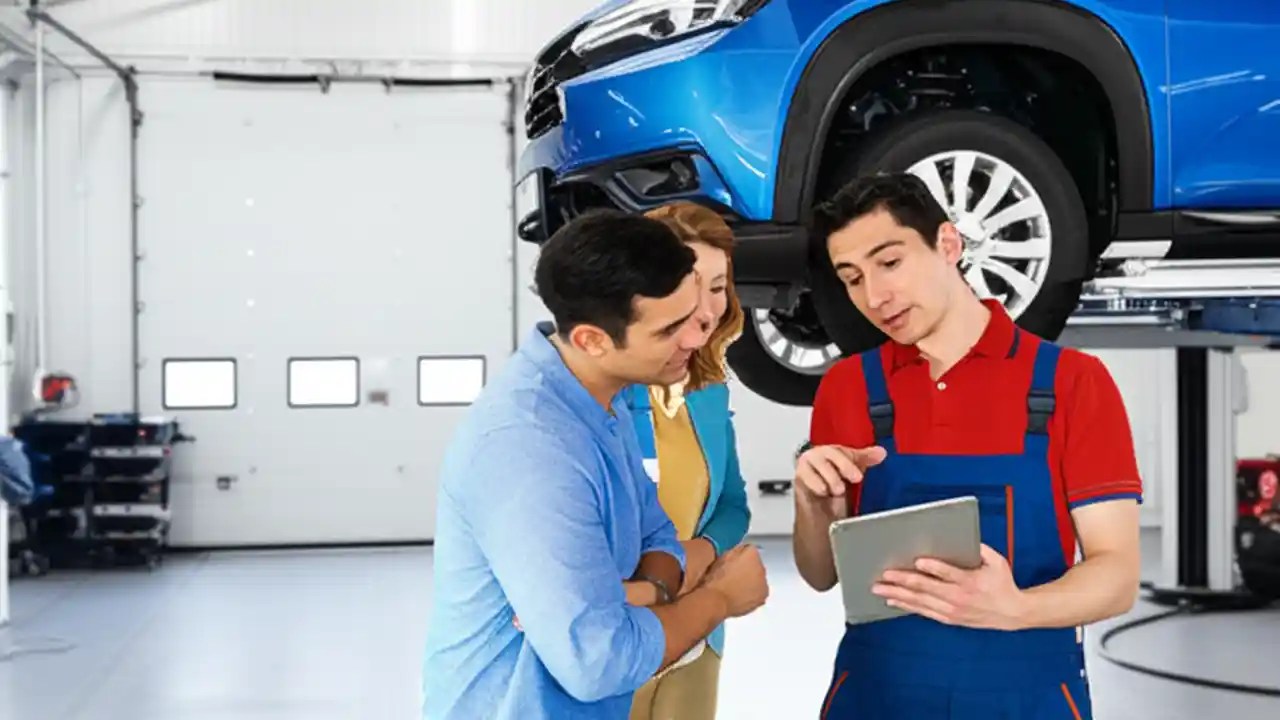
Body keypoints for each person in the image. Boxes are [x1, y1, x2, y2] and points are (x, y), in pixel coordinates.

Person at [792, 173, 1143, 719]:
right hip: (878, 693)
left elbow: (1117, 575)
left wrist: (1017, 608)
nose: (874, 296)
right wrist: (813, 506)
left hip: (1026, 694)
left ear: (949, 244)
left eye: (890, 263)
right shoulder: (849, 388)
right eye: (852, 278)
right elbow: (820, 575)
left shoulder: (1071, 382)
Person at [421, 209, 770, 720]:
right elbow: (598, 662)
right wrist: (717, 599)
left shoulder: (601, 402)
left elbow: (658, 536)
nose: (696, 340)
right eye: (671, 328)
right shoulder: (530, 446)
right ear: (592, 339)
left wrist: (642, 592)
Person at [621, 202, 750, 720]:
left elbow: (734, 503)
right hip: (624, 633)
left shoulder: (709, 390)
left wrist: (701, 550)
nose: (706, 304)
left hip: (699, 626)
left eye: (718, 286)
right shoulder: (608, 392)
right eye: (690, 282)